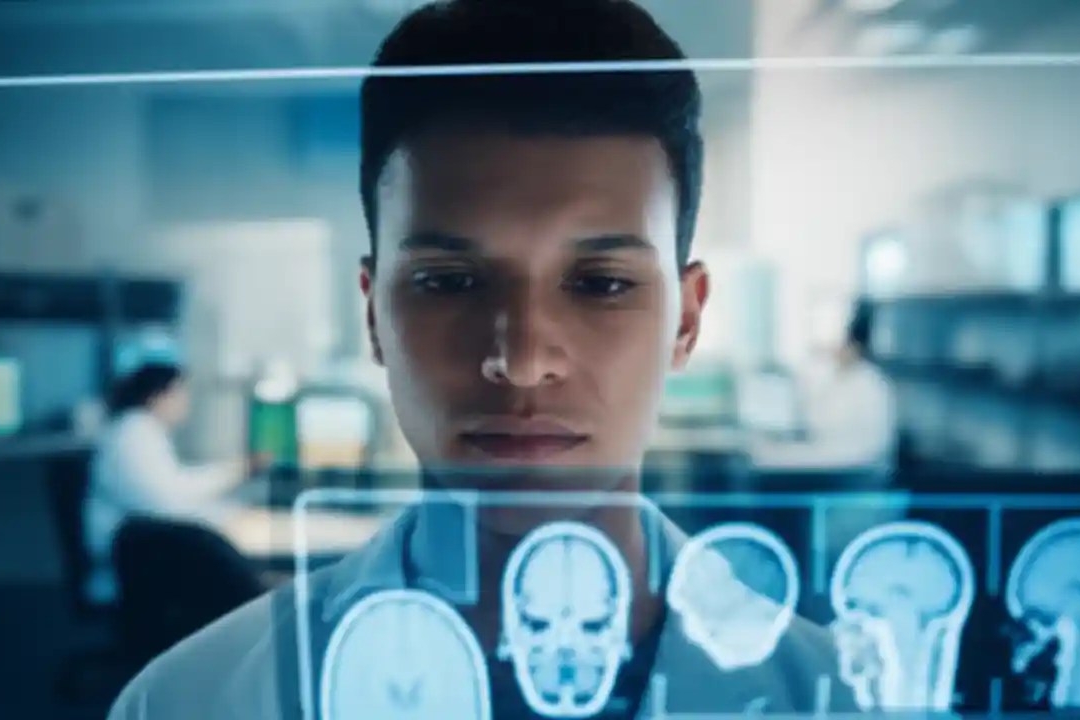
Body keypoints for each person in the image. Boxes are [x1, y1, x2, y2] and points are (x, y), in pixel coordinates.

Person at [108, 1, 859, 717]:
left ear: (686, 322)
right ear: (374, 313)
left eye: (600, 284)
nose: (523, 360)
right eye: (450, 282)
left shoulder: (843, 701)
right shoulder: (188, 703)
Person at [84, 362, 264, 604]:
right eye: (179, 392)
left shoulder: (142, 431)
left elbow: (174, 489)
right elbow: (168, 503)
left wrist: (230, 508)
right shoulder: (132, 435)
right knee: (247, 587)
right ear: (157, 395)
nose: (186, 401)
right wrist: (233, 476)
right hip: (138, 570)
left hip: (150, 559)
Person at [753, 302, 897, 472]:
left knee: (768, 459)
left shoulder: (871, 385)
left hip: (853, 468)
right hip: (832, 458)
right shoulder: (831, 376)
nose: (827, 349)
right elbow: (811, 421)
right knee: (763, 454)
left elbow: (855, 448)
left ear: (855, 346)